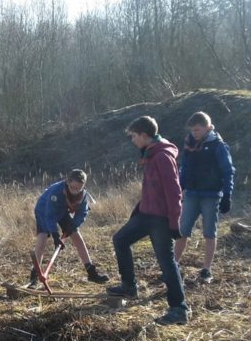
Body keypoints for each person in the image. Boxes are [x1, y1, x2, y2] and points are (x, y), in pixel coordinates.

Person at [107, 116, 190, 325]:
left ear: (144, 135)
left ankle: (179, 309)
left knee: (166, 262)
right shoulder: (150, 155)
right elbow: (152, 190)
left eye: (134, 136)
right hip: (146, 214)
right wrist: (140, 209)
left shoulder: (162, 157)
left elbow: (174, 192)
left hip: (161, 219)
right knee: (120, 239)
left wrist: (174, 222)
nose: (132, 140)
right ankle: (129, 286)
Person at [174, 112, 235, 284]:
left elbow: (228, 171)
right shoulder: (189, 144)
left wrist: (227, 195)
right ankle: (173, 265)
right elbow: (183, 168)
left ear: (208, 127)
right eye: (192, 130)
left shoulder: (218, 146)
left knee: (209, 232)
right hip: (192, 194)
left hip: (211, 195)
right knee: (182, 230)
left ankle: (206, 270)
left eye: (197, 130)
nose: (194, 133)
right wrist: (180, 187)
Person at [28, 169, 109, 288]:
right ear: (67, 182)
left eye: (78, 188)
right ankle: (34, 276)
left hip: (62, 211)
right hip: (44, 209)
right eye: (73, 188)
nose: (75, 191)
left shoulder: (83, 195)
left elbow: (82, 213)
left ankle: (91, 272)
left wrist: (73, 225)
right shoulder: (56, 191)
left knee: (77, 236)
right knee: (43, 238)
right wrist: (55, 235)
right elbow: (49, 215)